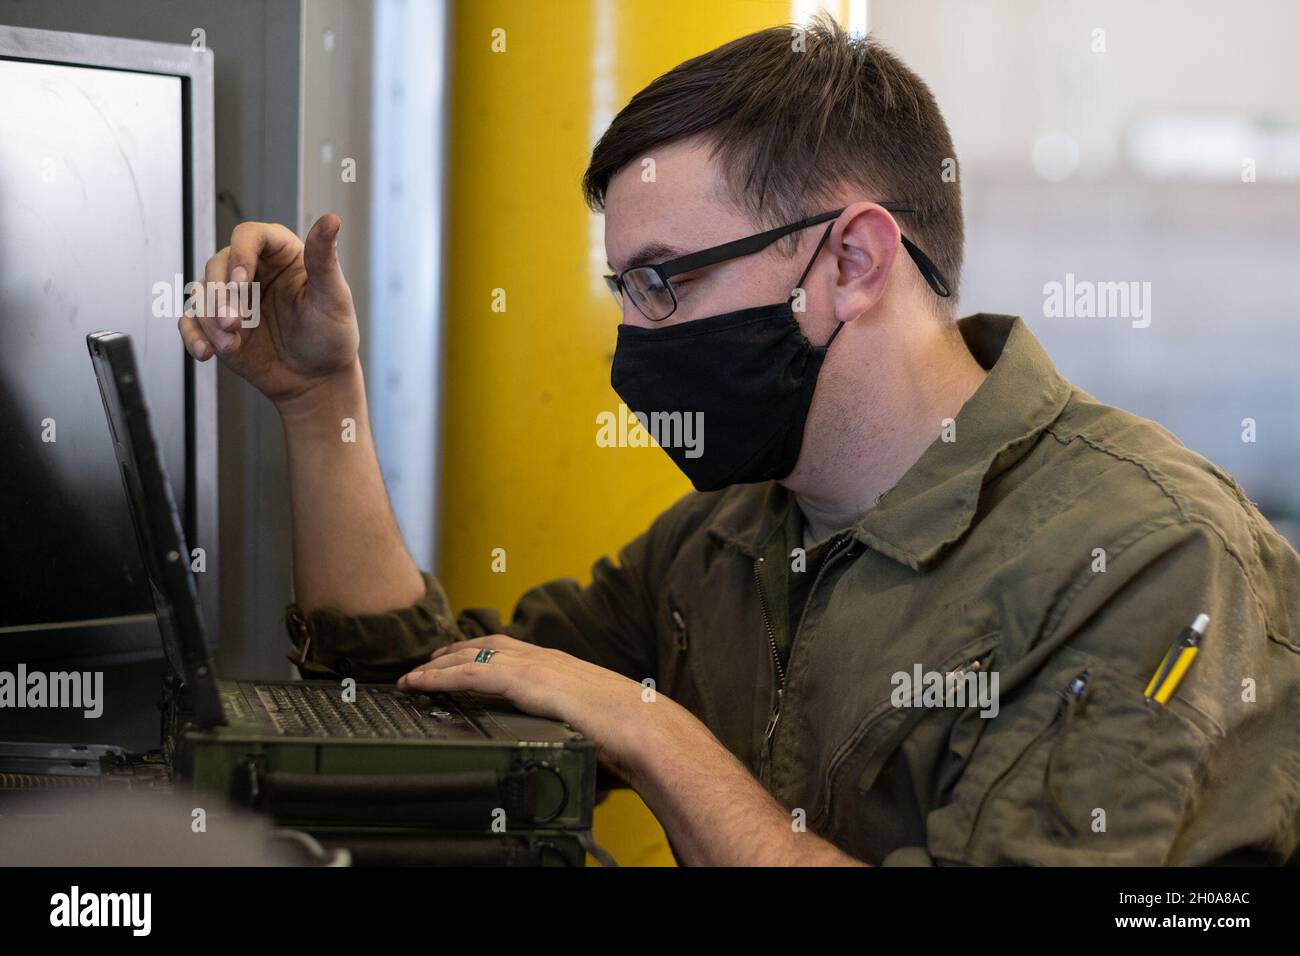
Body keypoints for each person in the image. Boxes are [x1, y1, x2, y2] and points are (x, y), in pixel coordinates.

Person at [178, 15, 1300, 865]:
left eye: (664, 280)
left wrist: (651, 727)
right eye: (625, 285)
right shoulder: (728, 537)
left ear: (853, 262)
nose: (630, 333)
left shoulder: (1154, 557)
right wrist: (318, 399)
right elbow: (418, 712)